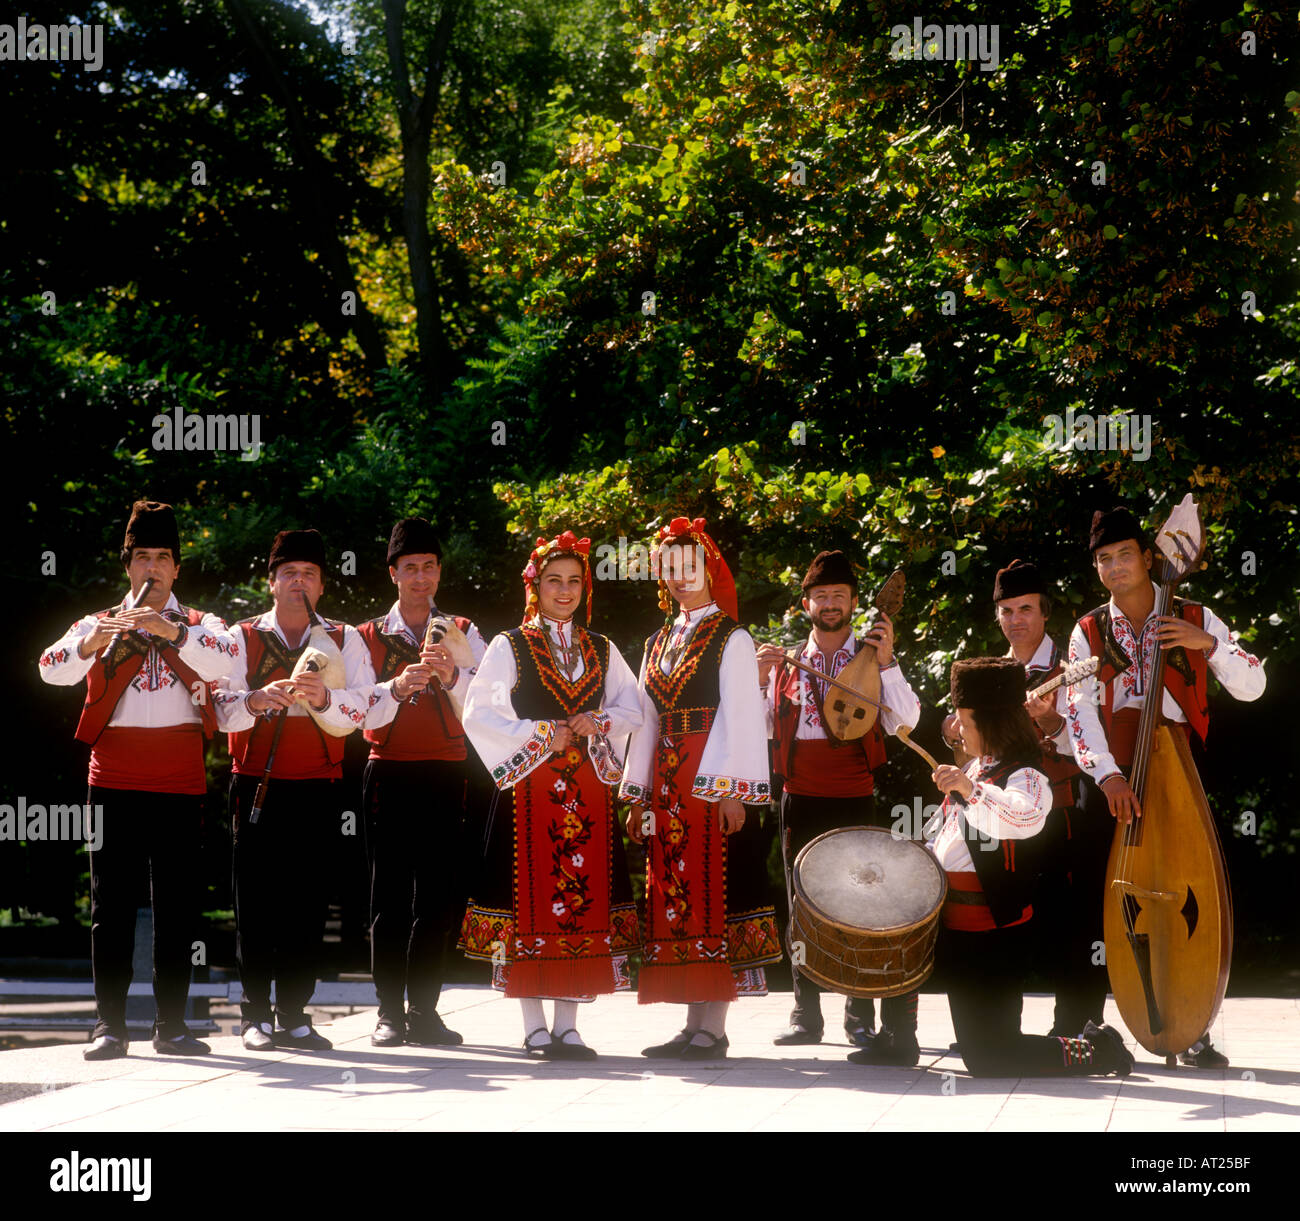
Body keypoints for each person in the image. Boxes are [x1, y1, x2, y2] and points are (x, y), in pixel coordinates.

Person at [37, 500, 239, 1060]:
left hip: (178, 778)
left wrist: (168, 631)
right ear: (128, 565)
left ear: (177, 568)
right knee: (111, 904)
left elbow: (228, 660)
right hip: (114, 778)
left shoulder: (203, 624)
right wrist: (90, 643)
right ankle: (109, 1025)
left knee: (178, 905)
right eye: (142, 557)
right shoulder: (98, 621)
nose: (153, 568)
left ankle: (171, 1025)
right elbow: (49, 667)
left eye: (163, 558)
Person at [1065, 506, 1265, 1068]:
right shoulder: (1087, 631)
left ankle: (1190, 1021)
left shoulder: (1195, 613)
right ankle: (1089, 1025)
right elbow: (1077, 709)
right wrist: (1107, 776)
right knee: (1102, 896)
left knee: (1187, 887)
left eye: (1124, 554)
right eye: (1103, 559)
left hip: (1177, 766)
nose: (1114, 567)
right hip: (1110, 772)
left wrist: (1208, 644)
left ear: (1149, 557)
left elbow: (1254, 685)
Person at [214, 528, 413, 1052]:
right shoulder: (242, 636)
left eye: (309, 574)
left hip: (319, 786)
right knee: (255, 902)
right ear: (272, 583)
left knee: (307, 903)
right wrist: (257, 700)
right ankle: (254, 1015)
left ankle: (296, 1013)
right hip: (255, 784)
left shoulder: (343, 638)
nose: (298, 582)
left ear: (322, 586)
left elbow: (367, 705)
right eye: (288, 574)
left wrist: (324, 699)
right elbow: (219, 707)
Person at [459, 530, 643, 1059]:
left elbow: (634, 710)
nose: (564, 590)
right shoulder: (507, 646)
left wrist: (599, 719)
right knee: (530, 904)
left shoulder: (602, 649)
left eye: (574, 581)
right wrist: (543, 733)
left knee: (581, 903)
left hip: (586, 792)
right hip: (529, 792)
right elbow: (481, 713)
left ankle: (569, 1025)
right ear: (535, 586)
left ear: (585, 588)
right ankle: (533, 1025)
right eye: (553, 581)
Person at [920, 657, 1133, 1078]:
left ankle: (1097, 1050)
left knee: (990, 1055)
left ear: (993, 723)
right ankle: (1089, 1046)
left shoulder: (1027, 777)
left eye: (965, 721)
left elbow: (1019, 819)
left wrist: (969, 790)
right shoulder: (974, 770)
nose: (957, 730)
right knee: (981, 1051)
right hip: (958, 927)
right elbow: (940, 836)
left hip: (997, 932)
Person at [622, 516, 782, 1061]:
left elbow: (740, 713)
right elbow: (645, 717)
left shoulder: (732, 636)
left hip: (710, 779)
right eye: (669, 569)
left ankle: (712, 1026)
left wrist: (733, 789)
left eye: (689, 565)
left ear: (708, 567)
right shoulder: (659, 639)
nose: (680, 577)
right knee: (677, 897)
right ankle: (694, 1024)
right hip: (668, 783)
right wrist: (639, 792)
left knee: (717, 892)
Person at [755, 548, 922, 1052]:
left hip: (854, 798)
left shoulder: (872, 655)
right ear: (806, 604)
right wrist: (759, 679)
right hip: (799, 798)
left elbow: (906, 722)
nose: (830, 603)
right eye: (820, 595)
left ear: (852, 602)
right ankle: (806, 1015)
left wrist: (888, 663)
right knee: (801, 906)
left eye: (839, 595)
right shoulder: (785, 663)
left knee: (859, 906)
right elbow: (761, 728)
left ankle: (860, 1017)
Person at [355, 517, 488, 1048]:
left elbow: (486, 702)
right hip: (387, 769)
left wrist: (453, 675)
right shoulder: (364, 635)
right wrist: (397, 685)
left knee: (439, 893)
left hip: (447, 769)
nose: (421, 578)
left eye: (430, 567)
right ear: (393, 574)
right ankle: (388, 1011)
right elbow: (356, 704)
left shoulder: (463, 629)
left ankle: (426, 1010)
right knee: (388, 894)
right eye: (410, 568)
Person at [968, 557, 1097, 1037]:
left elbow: (1090, 745)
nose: (1016, 619)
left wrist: (1052, 723)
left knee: (1071, 925)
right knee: (1002, 922)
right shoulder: (990, 672)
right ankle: (998, 1031)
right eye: (1007, 610)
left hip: (1061, 815)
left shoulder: (1073, 669)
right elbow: (960, 734)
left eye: (1026, 609)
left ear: (1045, 614)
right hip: (999, 816)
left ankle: (1080, 1030)